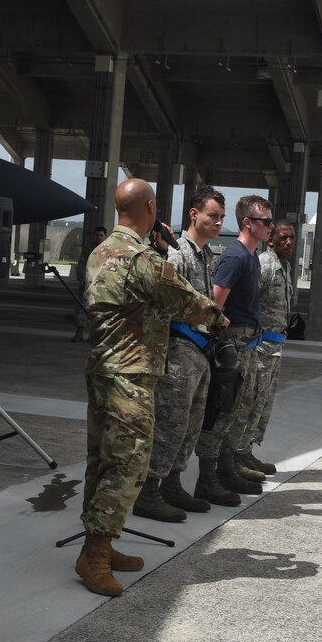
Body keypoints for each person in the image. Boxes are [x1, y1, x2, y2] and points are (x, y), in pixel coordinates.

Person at [77, 178, 225, 596]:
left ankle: (99, 544)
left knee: (103, 459)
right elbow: (185, 299)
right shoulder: (142, 258)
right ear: (151, 208)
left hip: (103, 370)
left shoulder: (101, 251)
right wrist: (216, 315)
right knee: (128, 463)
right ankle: (97, 554)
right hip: (131, 375)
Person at [144, 189, 230, 515]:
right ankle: (149, 490)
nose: (218, 222)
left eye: (221, 217)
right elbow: (164, 303)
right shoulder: (177, 255)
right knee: (170, 424)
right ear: (194, 214)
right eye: (212, 215)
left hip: (200, 353)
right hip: (179, 352)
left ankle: (172, 483)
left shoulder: (206, 256)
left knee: (191, 426)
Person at [193, 195, 275, 495]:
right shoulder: (236, 256)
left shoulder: (251, 257)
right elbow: (214, 305)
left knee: (239, 410)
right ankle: (207, 478)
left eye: (270, 220)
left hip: (250, 342)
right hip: (235, 342)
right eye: (265, 221)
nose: (270, 226)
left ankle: (226, 469)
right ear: (247, 224)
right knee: (223, 409)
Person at [245, 220, 299, 465]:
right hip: (261, 347)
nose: (288, 242)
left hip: (276, 348)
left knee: (264, 404)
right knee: (252, 402)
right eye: (283, 237)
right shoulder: (264, 265)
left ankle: (247, 450)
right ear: (270, 240)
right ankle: (238, 452)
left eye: (292, 238)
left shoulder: (285, 266)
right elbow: (249, 303)